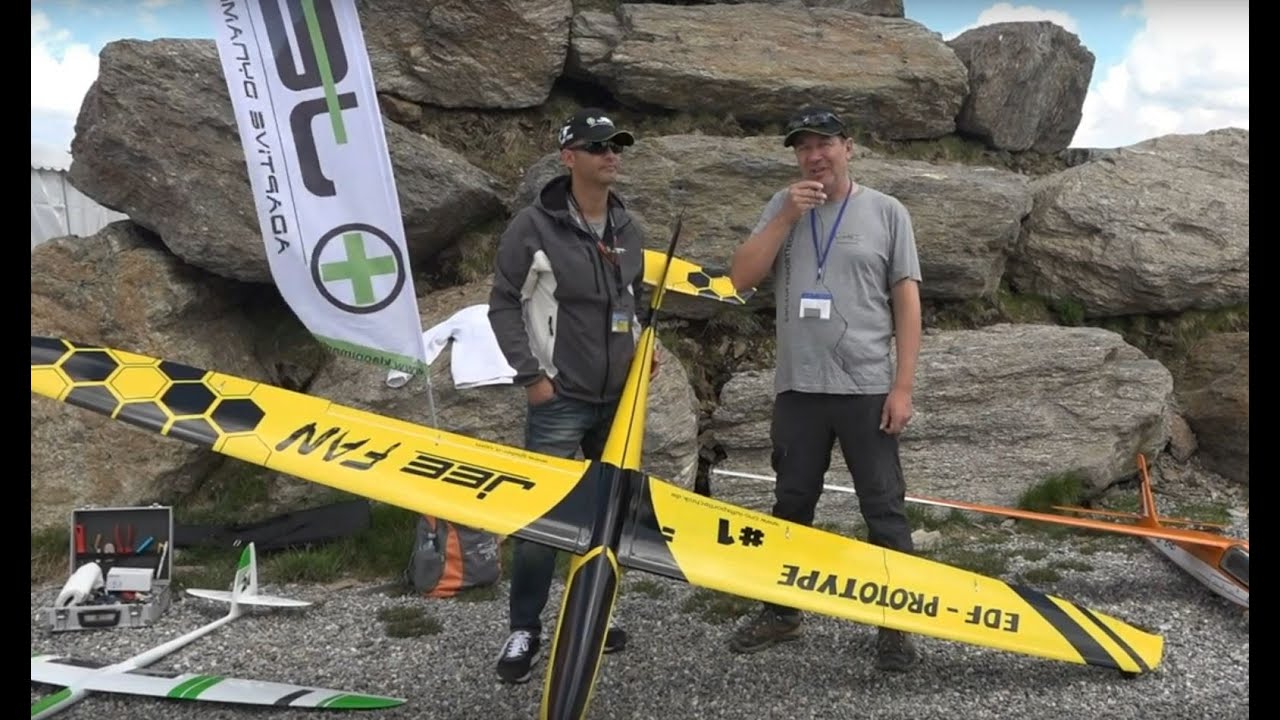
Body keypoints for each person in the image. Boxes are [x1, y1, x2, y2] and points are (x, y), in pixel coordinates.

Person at [726, 105, 924, 672]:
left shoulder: (887, 212)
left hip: (865, 387)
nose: (815, 156)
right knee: (790, 505)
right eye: (803, 147)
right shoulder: (781, 206)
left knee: (883, 509)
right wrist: (784, 217)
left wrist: (902, 385)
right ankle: (782, 613)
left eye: (825, 144)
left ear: (848, 147)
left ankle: (897, 623)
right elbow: (740, 278)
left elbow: (906, 302)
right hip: (799, 389)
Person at [486, 107, 646, 684]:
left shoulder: (629, 227)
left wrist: (640, 355)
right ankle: (524, 628)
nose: (611, 155)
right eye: (598, 145)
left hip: (618, 402)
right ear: (568, 156)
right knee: (543, 517)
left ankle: (591, 613)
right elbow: (502, 303)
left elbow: (634, 298)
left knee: (607, 516)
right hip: (560, 397)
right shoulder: (534, 225)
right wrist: (532, 376)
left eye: (616, 145)